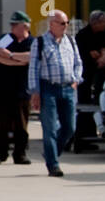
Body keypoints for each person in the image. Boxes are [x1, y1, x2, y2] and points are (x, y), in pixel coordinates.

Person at [27, 10, 82, 177]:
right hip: (47, 88)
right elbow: (33, 67)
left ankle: (51, 153)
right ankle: (53, 165)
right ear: (51, 24)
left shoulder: (70, 41)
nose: (66, 27)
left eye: (67, 23)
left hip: (67, 87)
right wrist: (35, 92)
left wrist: (76, 80)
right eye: (62, 23)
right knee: (49, 128)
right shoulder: (37, 41)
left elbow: (78, 62)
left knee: (69, 127)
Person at [0, 10, 34, 165]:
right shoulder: (7, 38)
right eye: (12, 25)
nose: (13, 28)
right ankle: (1, 152)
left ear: (25, 26)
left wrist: (9, 56)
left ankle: (20, 154)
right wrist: (16, 60)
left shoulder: (32, 41)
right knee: (2, 123)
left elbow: (31, 57)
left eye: (16, 25)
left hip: (23, 89)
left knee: (22, 124)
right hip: (4, 88)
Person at [75, 10, 105, 103]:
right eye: (104, 22)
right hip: (84, 64)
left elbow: (103, 49)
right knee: (85, 81)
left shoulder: (101, 33)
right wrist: (96, 55)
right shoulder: (82, 34)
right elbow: (85, 53)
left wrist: (103, 57)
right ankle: (84, 101)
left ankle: (100, 96)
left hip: (97, 62)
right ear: (96, 23)